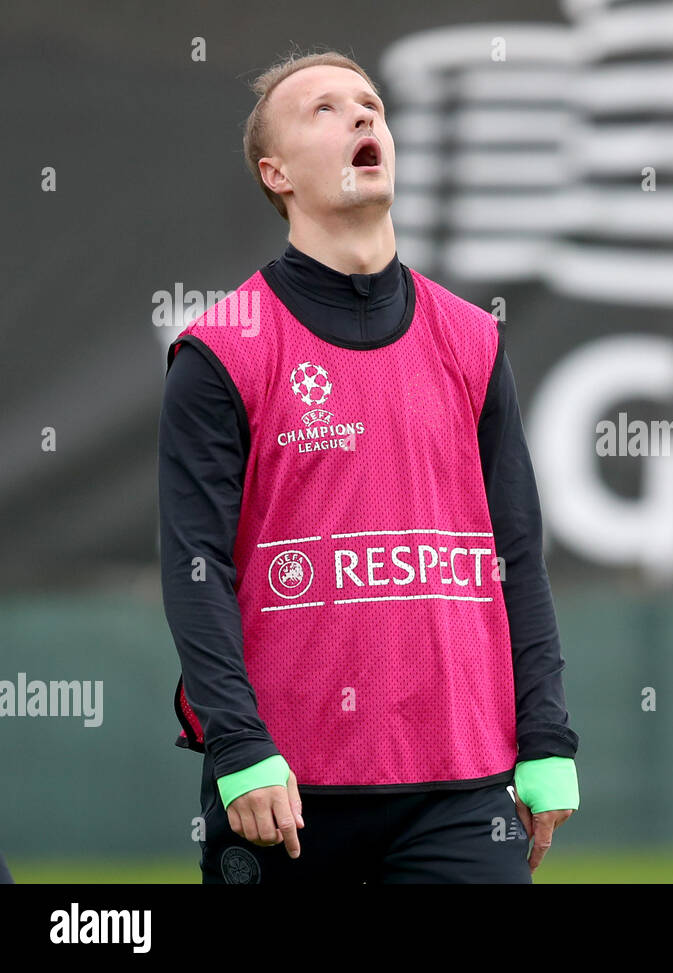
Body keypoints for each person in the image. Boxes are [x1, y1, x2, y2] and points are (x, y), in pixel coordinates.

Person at [157, 51, 578, 884]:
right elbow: (195, 567)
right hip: (284, 793)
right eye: (324, 109)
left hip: (461, 789)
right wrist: (240, 746)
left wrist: (548, 737)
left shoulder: (471, 338)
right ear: (274, 173)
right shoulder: (221, 349)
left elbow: (517, 557)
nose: (360, 117)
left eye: (370, 105)